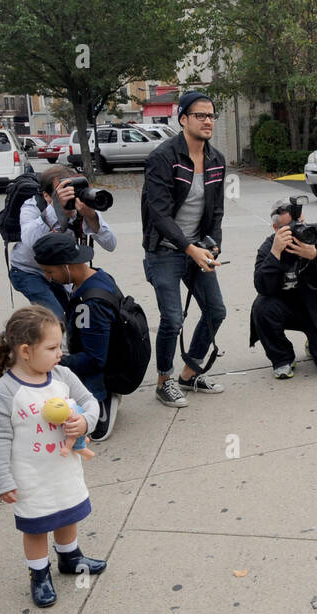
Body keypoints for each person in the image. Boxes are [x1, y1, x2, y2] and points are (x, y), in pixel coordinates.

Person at [0, 305, 107, 608]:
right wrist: (3, 479)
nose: (60, 353)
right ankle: (39, 574)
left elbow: (89, 402)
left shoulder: (62, 375)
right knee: (36, 526)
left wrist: (85, 422)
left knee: (68, 513)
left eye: (60, 346)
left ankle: (70, 557)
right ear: (26, 351)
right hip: (31, 476)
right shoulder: (6, 392)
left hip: (64, 468)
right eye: (52, 347)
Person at [141, 90, 227, 407]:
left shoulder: (216, 159)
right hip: (164, 251)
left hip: (198, 249)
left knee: (216, 312)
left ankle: (189, 374)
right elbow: (159, 215)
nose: (207, 121)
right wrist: (189, 248)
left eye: (211, 115)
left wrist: (213, 245)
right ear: (183, 119)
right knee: (172, 319)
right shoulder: (162, 158)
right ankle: (164, 380)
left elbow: (216, 211)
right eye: (200, 115)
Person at [250, 197, 317, 378]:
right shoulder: (270, 247)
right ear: (276, 229)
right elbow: (262, 287)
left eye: (298, 222)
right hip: (291, 310)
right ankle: (282, 358)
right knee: (262, 307)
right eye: (289, 227)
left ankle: (316, 343)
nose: (297, 229)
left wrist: (316, 255)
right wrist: (275, 254)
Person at [32, 232, 122, 442]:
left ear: (66, 266)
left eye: (50, 271)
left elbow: (94, 360)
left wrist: (54, 362)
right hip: (104, 349)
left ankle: (102, 397)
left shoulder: (90, 305)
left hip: (104, 365)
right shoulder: (97, 275)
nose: (48, 277)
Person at [9, 166, 116, 322]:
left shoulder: (80, 205)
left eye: (71, 190)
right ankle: (14, 340)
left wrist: (91, 217)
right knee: (55, 319)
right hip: (29, 271)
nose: (69, 197)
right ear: (46, 195)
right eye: (62, 191)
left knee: (73, 316)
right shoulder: (32, 206)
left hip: (60, 272)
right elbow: (30, 241)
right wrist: (56, 209)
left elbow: (111, 244)